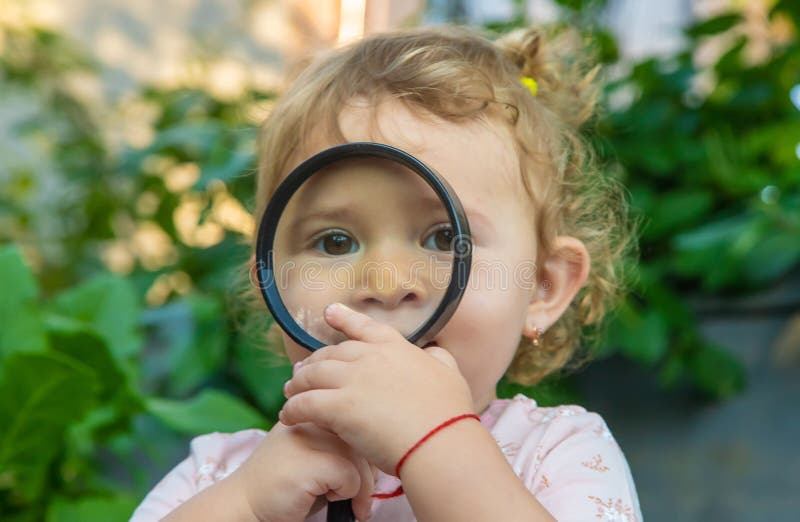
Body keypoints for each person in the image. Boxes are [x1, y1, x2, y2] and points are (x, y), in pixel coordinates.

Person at [132, 24, 642, 522]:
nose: (386, 282)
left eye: (445, 238)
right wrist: (245, 505)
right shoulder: (220, 477)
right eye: (334, 242)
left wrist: (437, 442)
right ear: (272, 287)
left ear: (543, 286)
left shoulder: (557, 454)